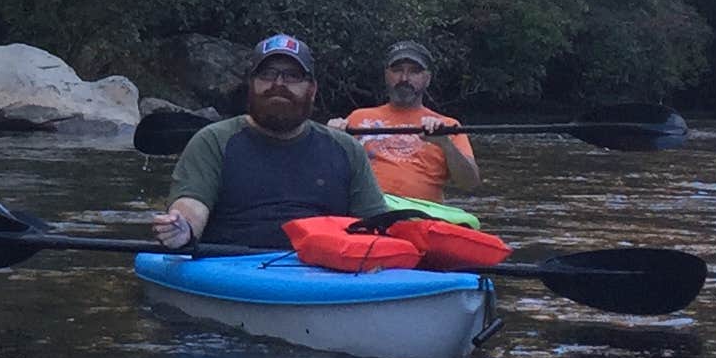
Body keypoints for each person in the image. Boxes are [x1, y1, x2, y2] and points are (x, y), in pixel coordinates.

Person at [153, 30, 389, 249]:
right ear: (251, 84)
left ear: (312, 89)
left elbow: (376, 226)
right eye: (267, 74)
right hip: (230, 270)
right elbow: (191, 206)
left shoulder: (347, 149)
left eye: (292, 76)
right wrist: (182, 228)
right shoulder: (213, 141)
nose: (278, 84)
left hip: (321, 272)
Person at [335, 39, 481, 204]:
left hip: (421, 214)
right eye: (397, 70)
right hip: (370, 210)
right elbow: (327, 173)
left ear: (427, 78)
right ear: (386, 75)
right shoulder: (357, 118)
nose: (404, 78)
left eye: (414, 72)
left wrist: (445, 143)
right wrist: (331, 138)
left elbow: (470, 184)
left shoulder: (448, 126)